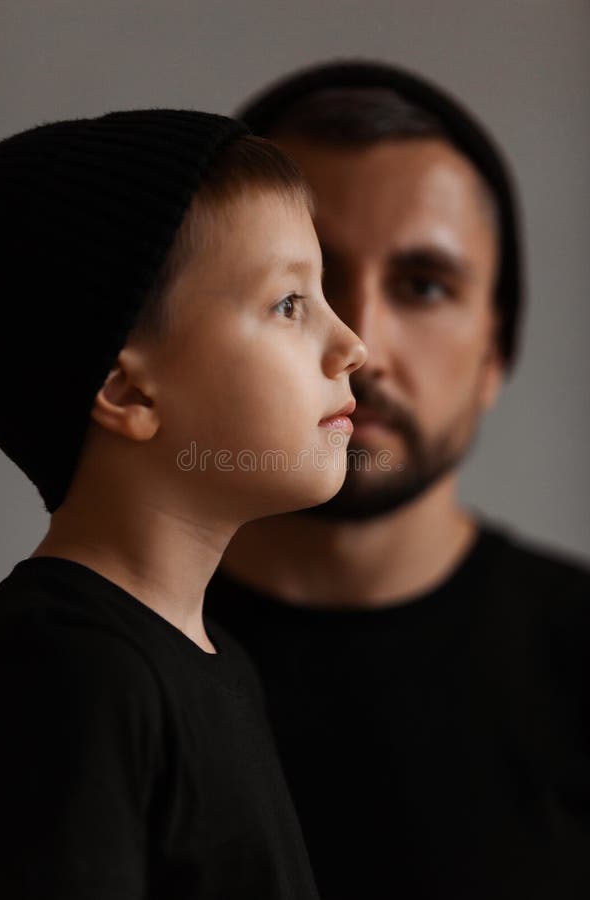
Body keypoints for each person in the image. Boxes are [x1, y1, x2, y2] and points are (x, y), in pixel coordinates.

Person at [205, 61, 590, 899]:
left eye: (423, 285)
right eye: (298, 285)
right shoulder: (67, 673)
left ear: (496, 353)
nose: (361, 343)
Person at [0, 108, 366, 899]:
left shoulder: (213, 664)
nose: (352, 344)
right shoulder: (68, 674)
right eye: (289, 304)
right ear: (125, 389)